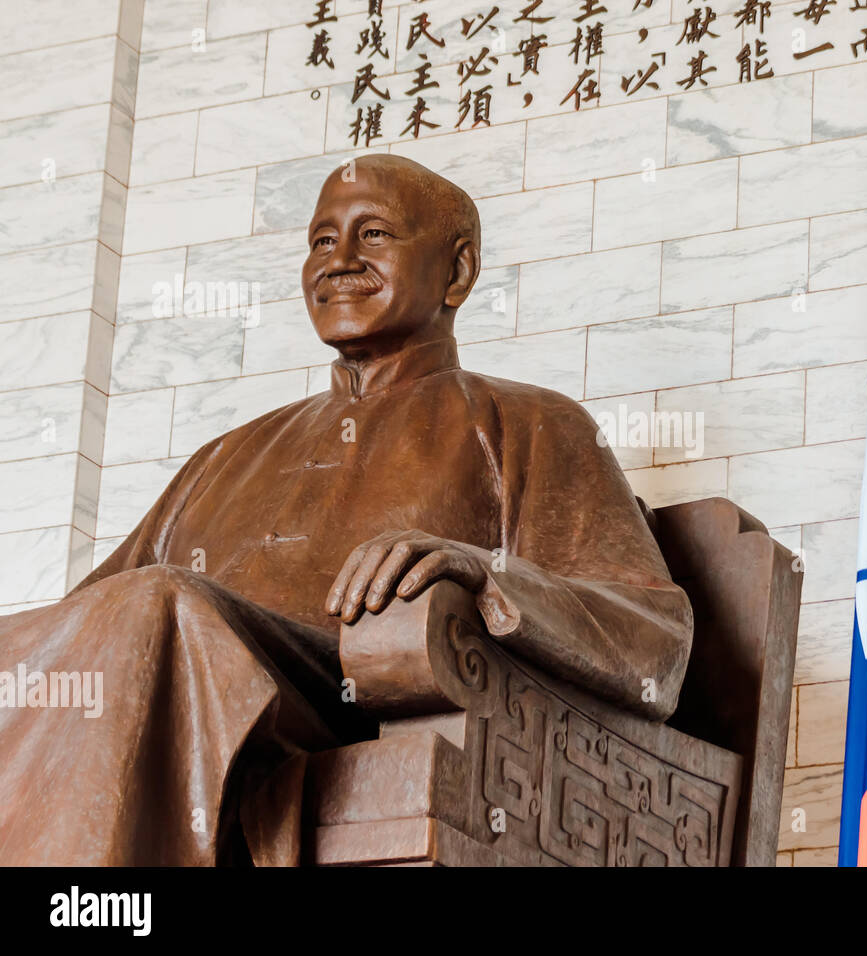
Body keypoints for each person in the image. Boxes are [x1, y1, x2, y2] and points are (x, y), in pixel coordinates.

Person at [0, 154, 692, 865]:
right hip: (192, 710)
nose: (340, 261)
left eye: (374, 235)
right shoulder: (224, 455)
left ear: (456, 272)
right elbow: (74, 635)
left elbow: (653, 639)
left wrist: (485, 573)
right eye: (322, 242)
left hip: (351, 704)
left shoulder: (527, 423)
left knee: (159, 603)